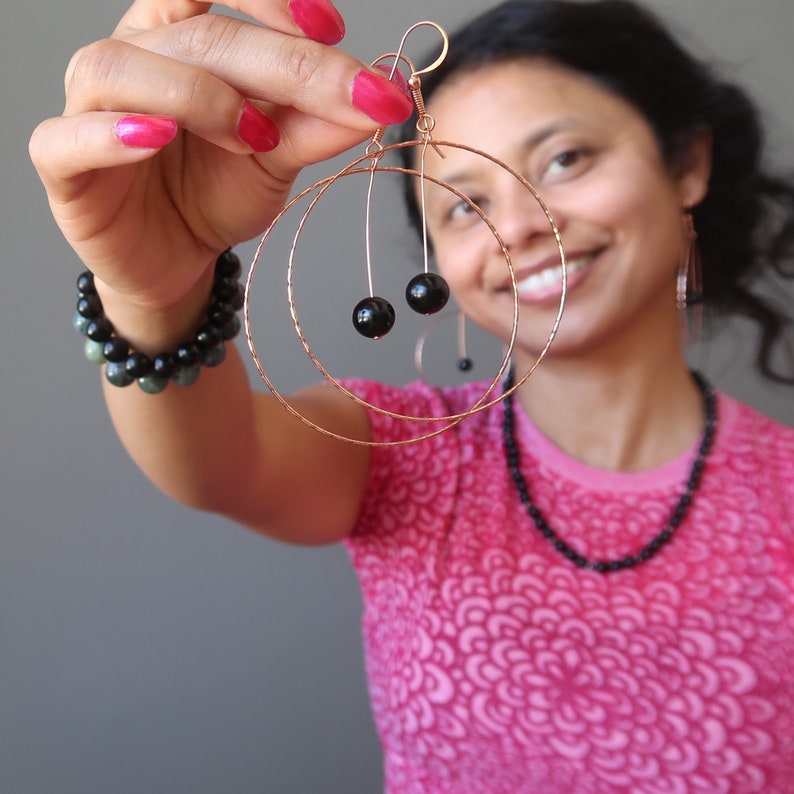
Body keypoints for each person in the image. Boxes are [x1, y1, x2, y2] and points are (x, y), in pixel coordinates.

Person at [30, 0, 794, 791]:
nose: (521, 225)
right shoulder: (401, 454)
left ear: (687, 164)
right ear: (443, 268)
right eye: (466, 206)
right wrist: (157, 295)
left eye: (565, 159)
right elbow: (218, 464)